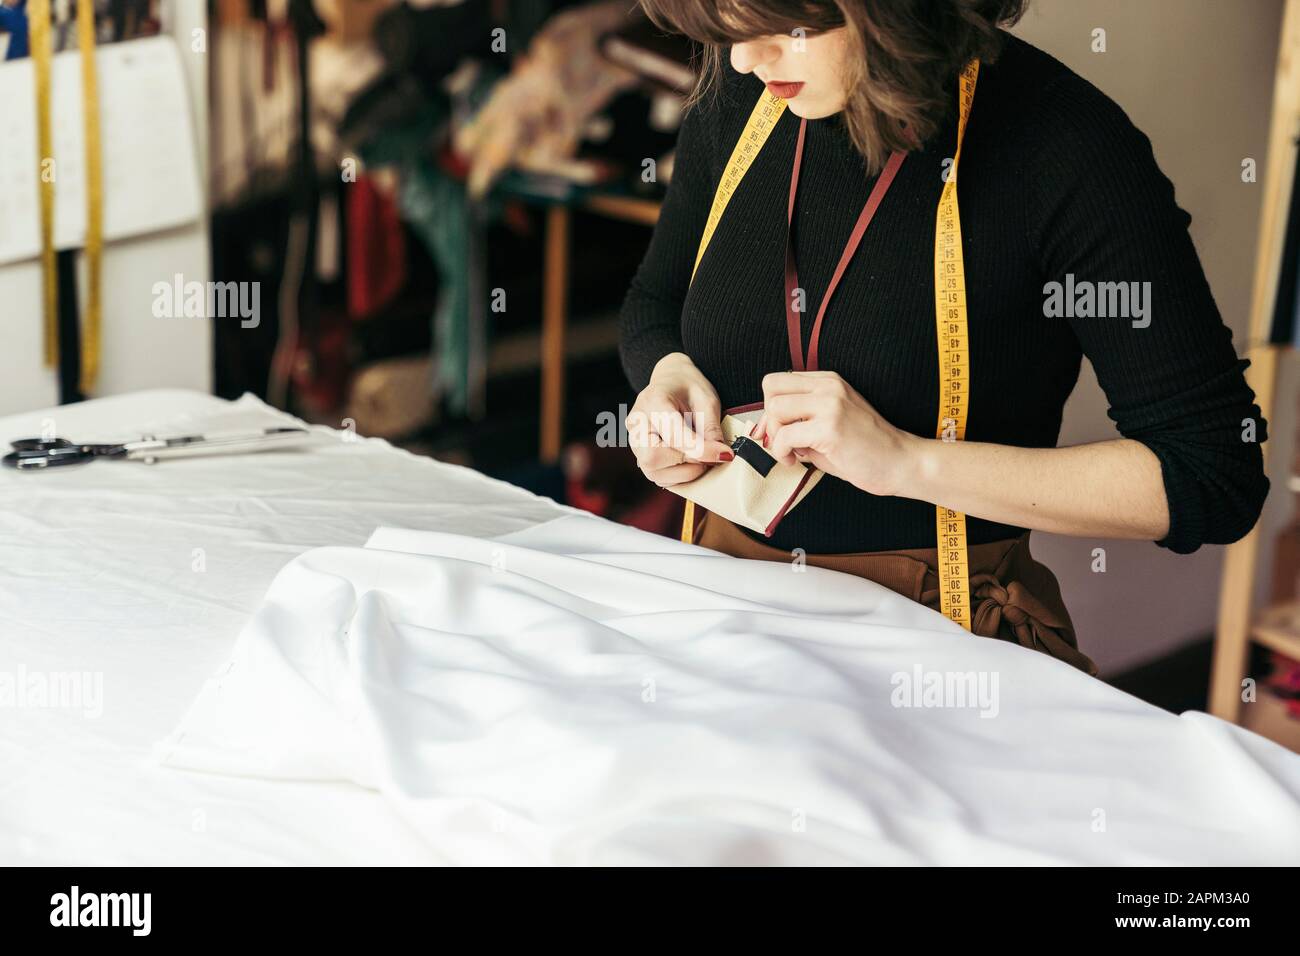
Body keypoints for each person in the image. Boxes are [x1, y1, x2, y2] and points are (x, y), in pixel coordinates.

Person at [618, 0, 1269, 674]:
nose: (744, 59)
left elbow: (1212, 475)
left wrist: (907, 462)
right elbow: (655, 301)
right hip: (723, 599)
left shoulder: (1065, 147)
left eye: (786, 27)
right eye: (730, 26)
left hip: (935, 642)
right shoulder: (741, 102)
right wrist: (665, 378)